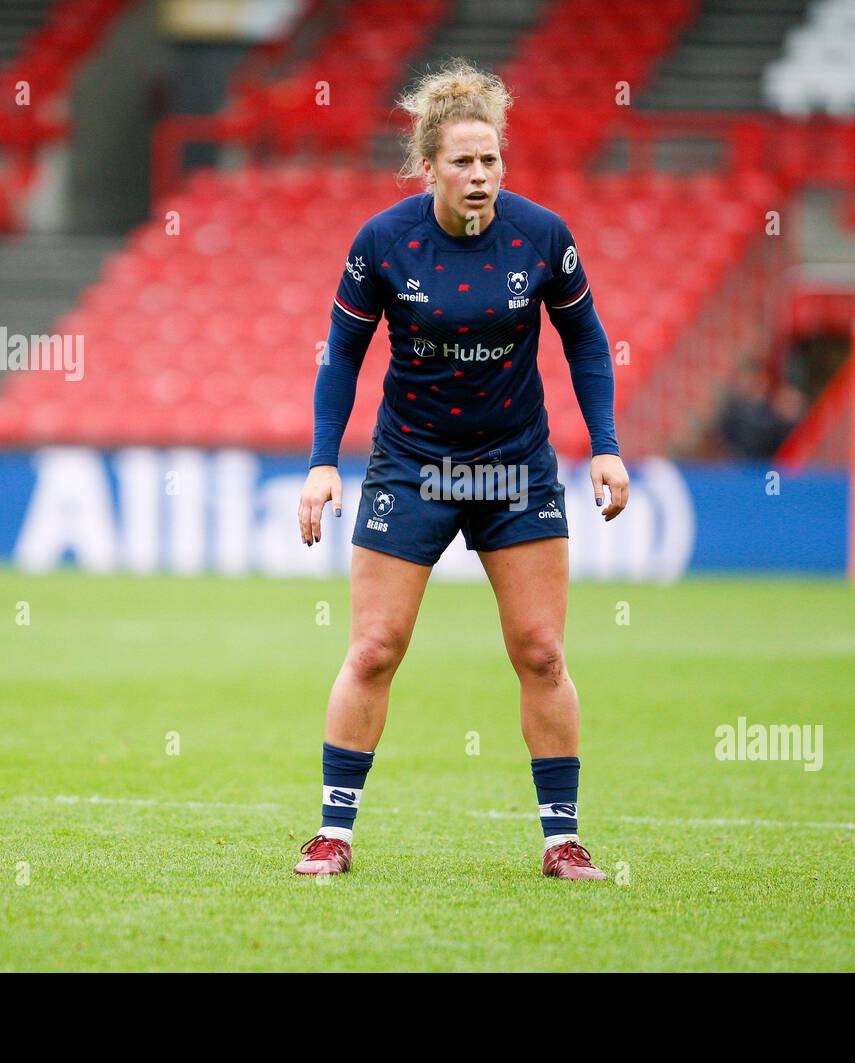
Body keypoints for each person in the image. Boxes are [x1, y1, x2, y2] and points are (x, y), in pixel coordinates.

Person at [294, 58, 628, 880]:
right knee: (374, 647)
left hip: (515, 464)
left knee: (542, 651)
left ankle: (562, 840)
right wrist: (321, 463)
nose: (479, 175)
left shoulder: (544, 237)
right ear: (430, 165)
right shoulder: (383, 242)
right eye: (463, 162)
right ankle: (334, 831)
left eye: (491, 160)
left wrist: (608, 444)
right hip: (411, 463)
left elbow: (586, 341)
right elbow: (342, 353)